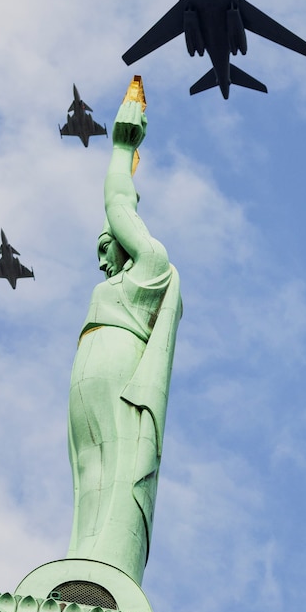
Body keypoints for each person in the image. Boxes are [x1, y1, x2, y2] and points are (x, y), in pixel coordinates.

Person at [66, 88, 182, 586]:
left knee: (117, 472)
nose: (100, 258)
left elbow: (118, 202)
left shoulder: (149, 270)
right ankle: (81, 561)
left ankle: (107, 574)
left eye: (105, 244)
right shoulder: (119, 283)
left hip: (120, 366)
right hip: (91, 366)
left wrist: (120, 149)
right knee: (87, 477)